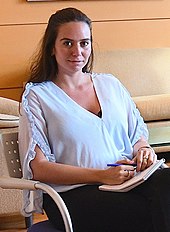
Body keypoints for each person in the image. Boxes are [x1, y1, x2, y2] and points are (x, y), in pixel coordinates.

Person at [19, 7, 170, 232]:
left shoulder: (110, 84)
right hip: (71, 194)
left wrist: (144, 150)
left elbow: (137, 134)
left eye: (84, 43)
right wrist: (102, 176)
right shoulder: (38, 96)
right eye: (67, 43)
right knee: (146, 210)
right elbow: (38, 168)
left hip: (128, 180)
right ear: (52, 47)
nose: (77, 51)